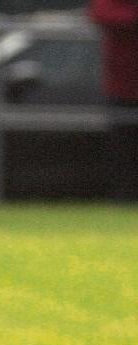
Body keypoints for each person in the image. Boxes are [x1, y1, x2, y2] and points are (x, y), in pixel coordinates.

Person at [89, 0, 138, 200]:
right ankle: (123, 201)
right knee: (123, 156)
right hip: (123, 91)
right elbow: (101, 13)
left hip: (122, 88)